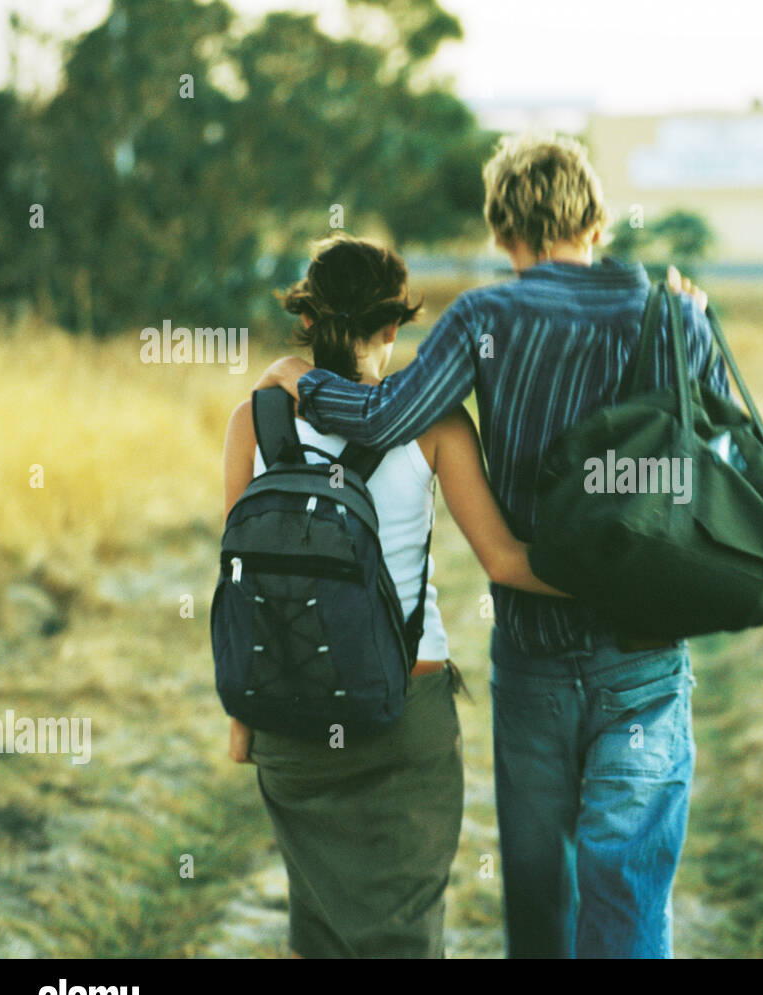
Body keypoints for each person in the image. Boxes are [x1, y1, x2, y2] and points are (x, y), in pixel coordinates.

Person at [256, 134, 727, 958]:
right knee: (630, 898)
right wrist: (698, 327)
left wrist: (300, 379)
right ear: (597, 218)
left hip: (537, 662)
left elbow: (381, 417)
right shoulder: (674, 312)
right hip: (646, 662)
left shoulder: (485, 318)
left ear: (503, 227)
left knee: (542, 906)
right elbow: (721, 465)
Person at [223, 233, 566, 958]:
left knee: (319, 931)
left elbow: (240, 575)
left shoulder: (253, 419)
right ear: (391, 327)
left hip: (289, 724)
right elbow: (504, 562)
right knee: (403, 934)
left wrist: (242, 725)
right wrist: (612, 579)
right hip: (401, 720)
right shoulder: (433, 424)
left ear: (307, 320)